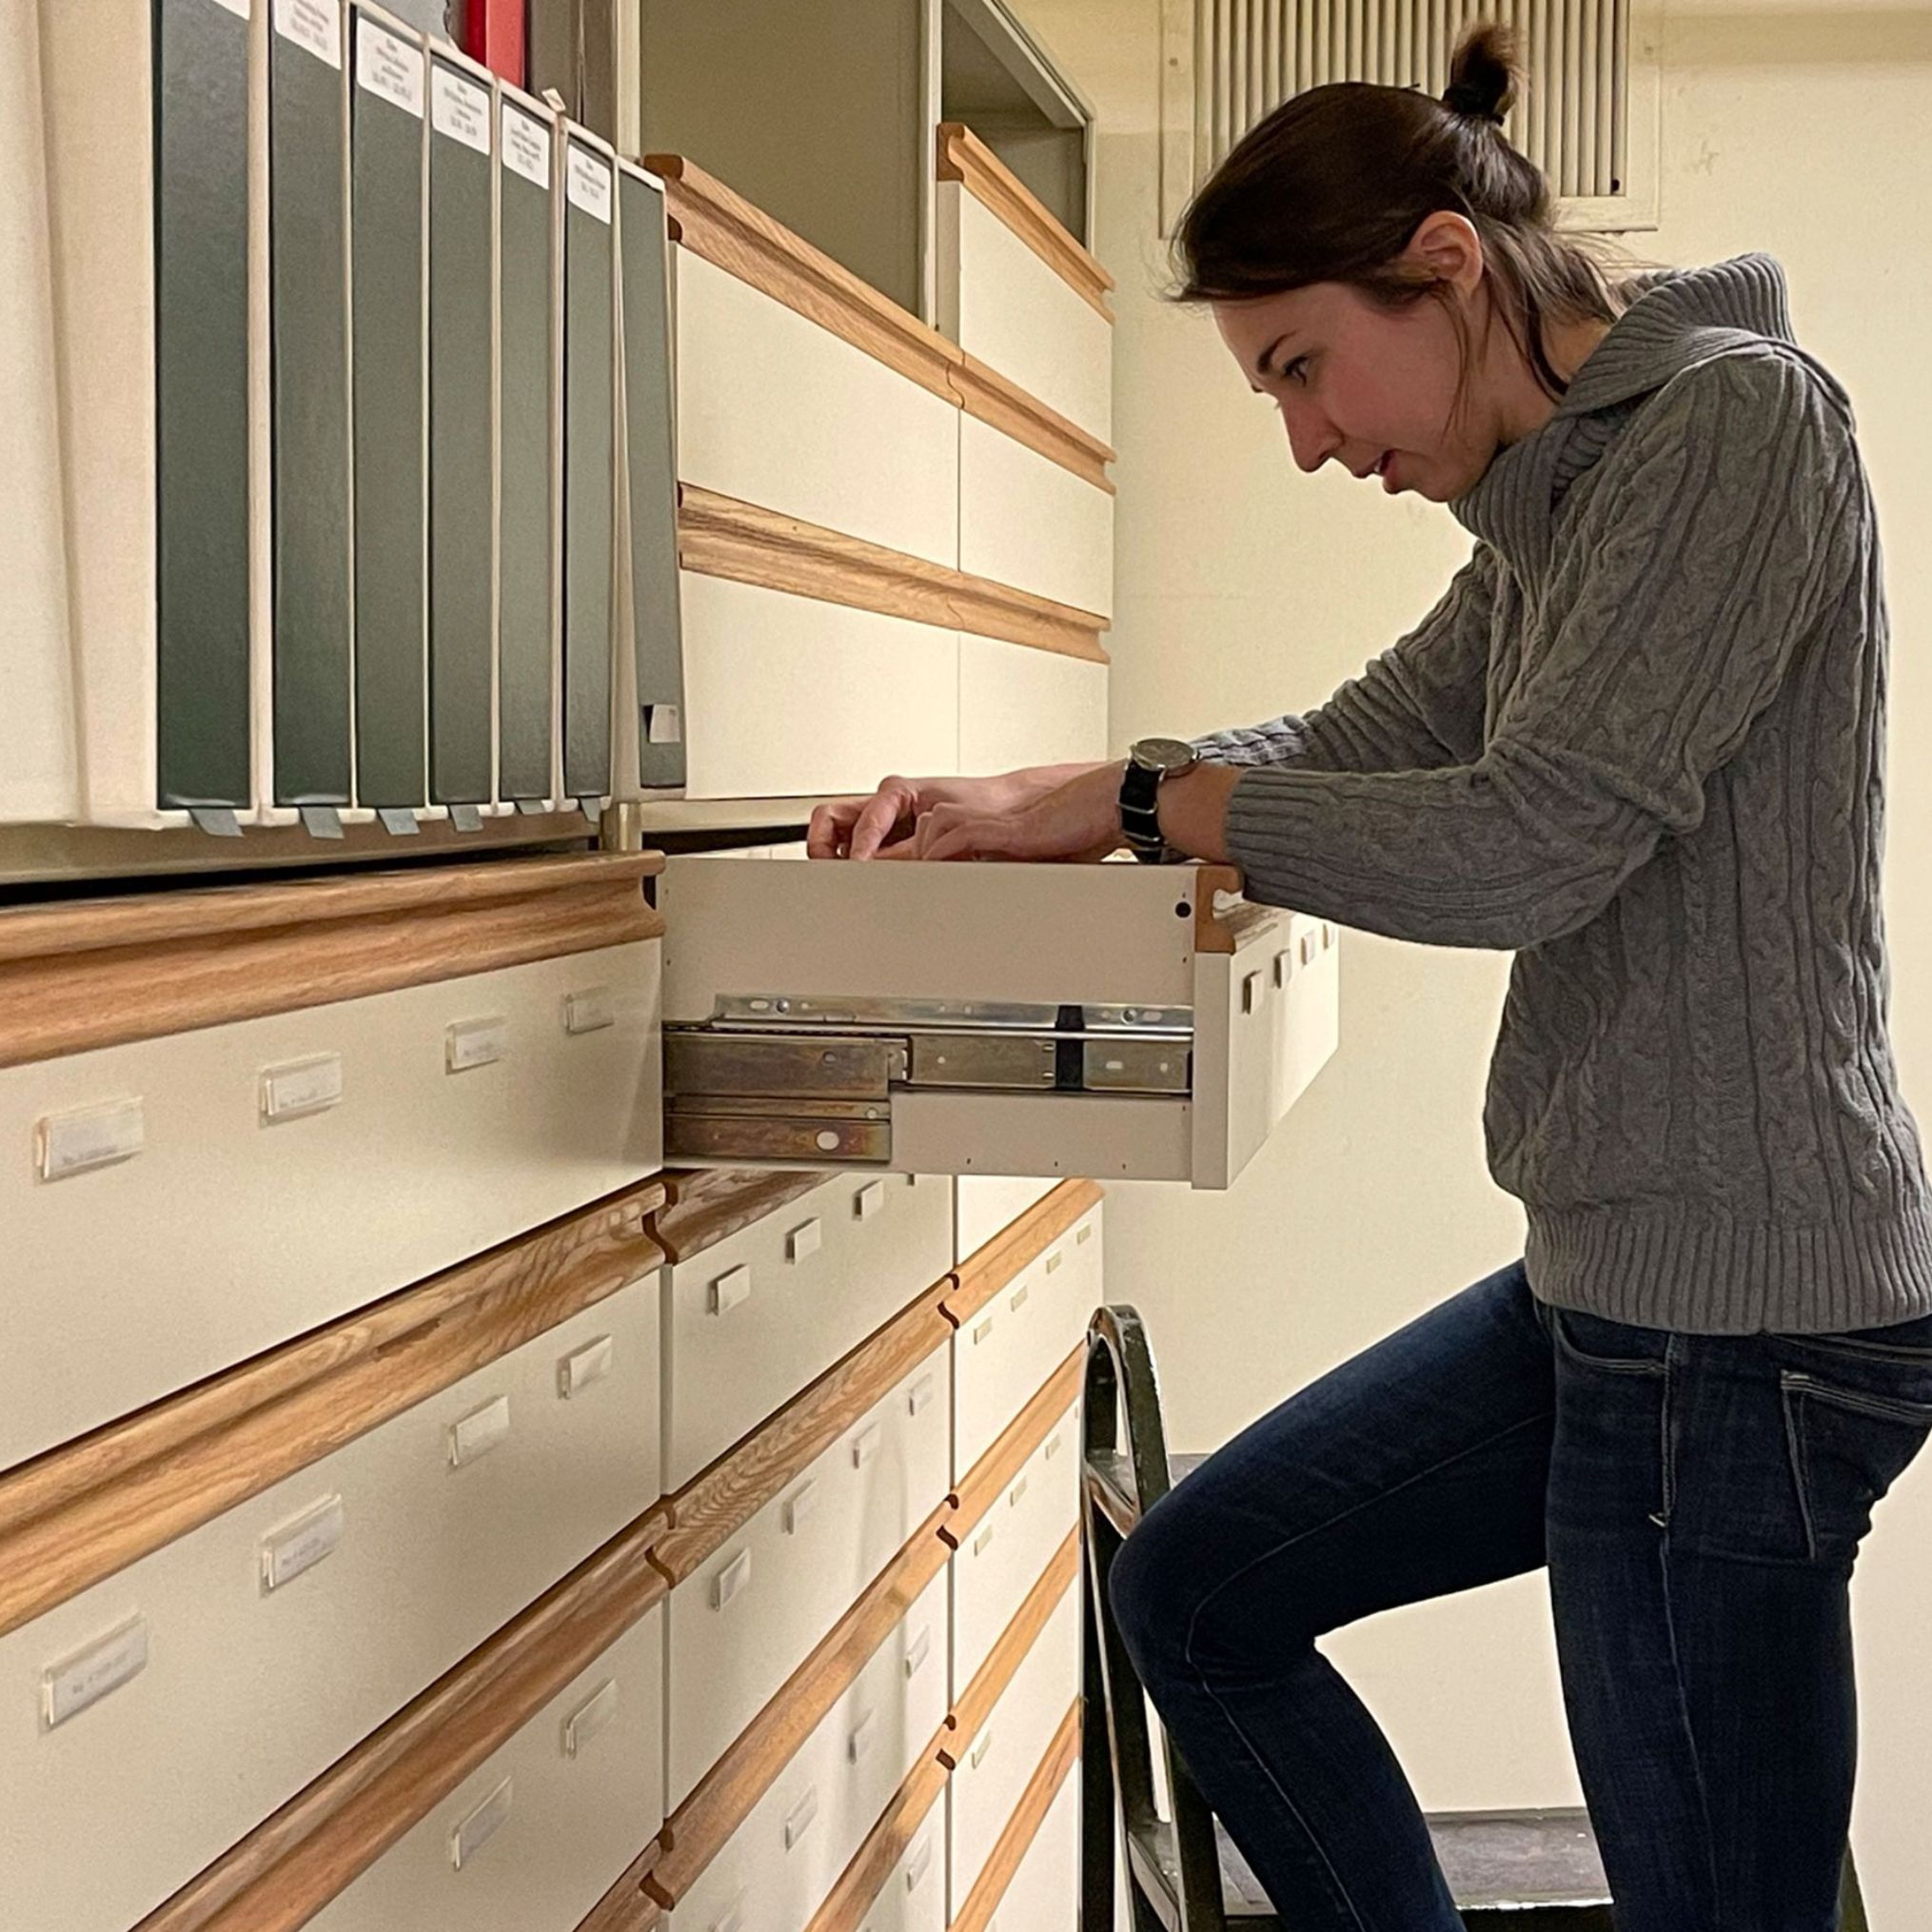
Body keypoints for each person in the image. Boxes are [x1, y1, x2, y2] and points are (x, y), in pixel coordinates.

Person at [808, 23, 1932, 1931]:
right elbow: (1364, 737)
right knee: (1200, 1587)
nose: (1309, 438)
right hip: (1609, 1295)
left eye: (1300, 368)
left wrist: (1164, 808)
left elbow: (1528, 835)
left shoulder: (1736, 429)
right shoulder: (1557, 503)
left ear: (1446, 265)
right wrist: (1059, 799)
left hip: (1744, 1330)